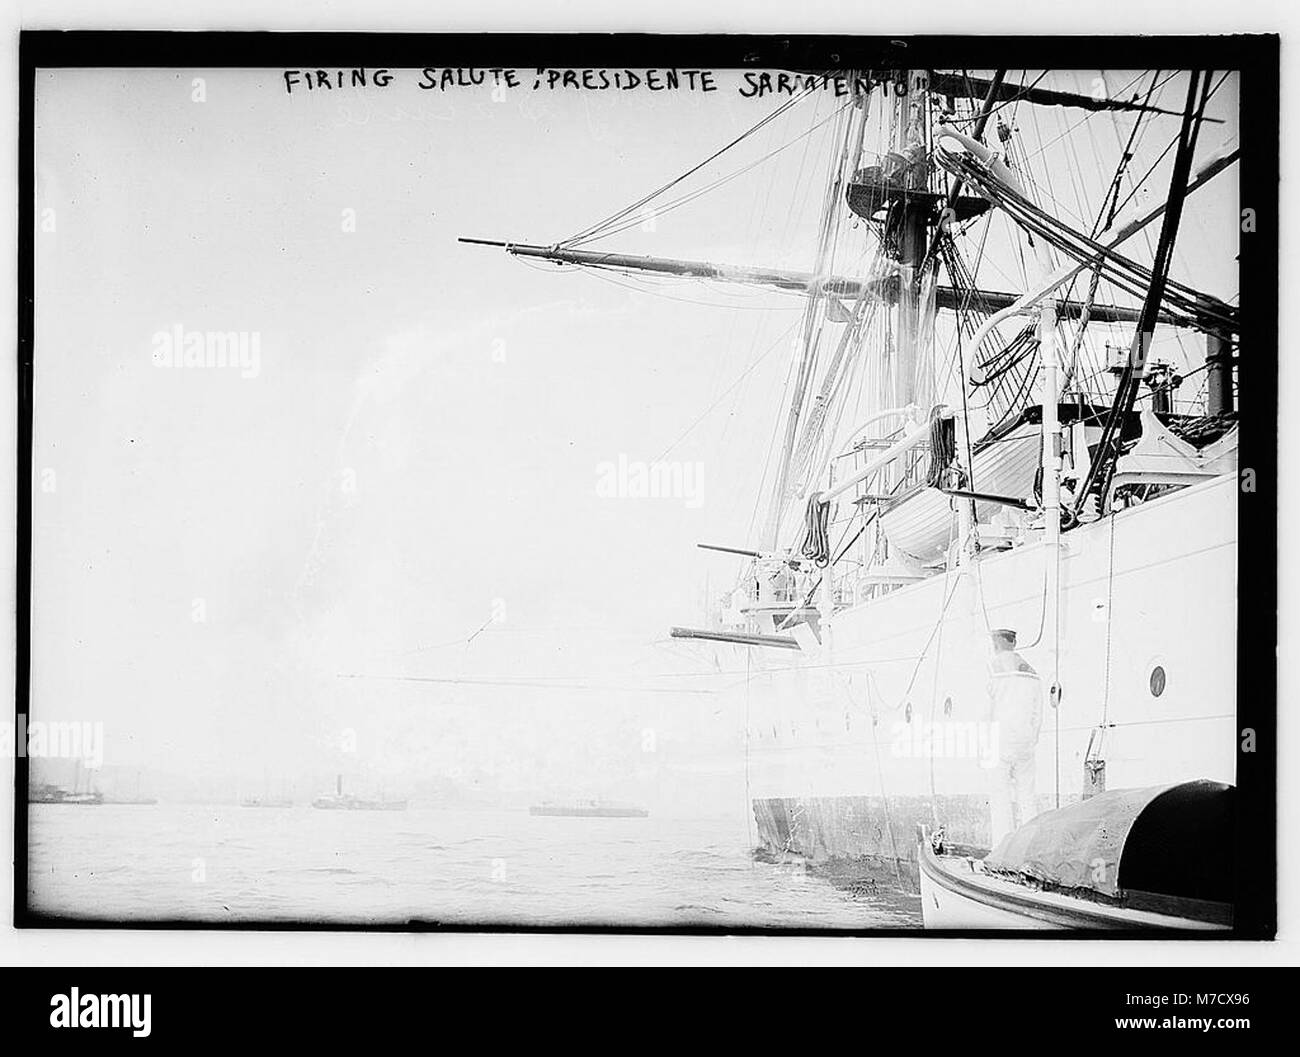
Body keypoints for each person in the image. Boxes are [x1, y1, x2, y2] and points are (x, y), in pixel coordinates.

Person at [985, 628, 1044, 847]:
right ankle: (1029, 847)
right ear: (1014, 643)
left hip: (999, 740)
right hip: (1025, 741)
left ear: (995, 644)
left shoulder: (991, 668)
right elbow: (1038, 713)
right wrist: (1031, 738)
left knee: (1000, 796)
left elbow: (985, 710)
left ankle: (1002, 848)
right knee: (1027, 795)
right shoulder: (1032, 671)